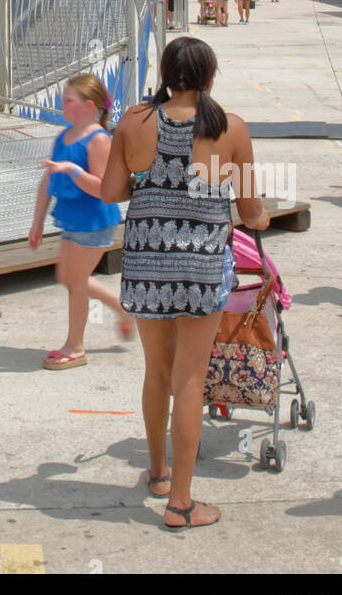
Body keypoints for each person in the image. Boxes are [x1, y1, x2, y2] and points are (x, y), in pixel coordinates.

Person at [101, 36, 269, 529]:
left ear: (165, 72)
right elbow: (251, 209)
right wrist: (255, 217)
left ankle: (157, 473)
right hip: (201, 269)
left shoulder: (134, 121)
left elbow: (112, 191)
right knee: (190, 379)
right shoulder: (229, 128)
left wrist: (151, 188)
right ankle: (180, 502)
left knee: (157, 372)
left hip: (148, 264)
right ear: (210, 78)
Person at [29, 74, 131, 368]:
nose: (62, 105)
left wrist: (73, 170)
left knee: (76, 283)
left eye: (68, 101)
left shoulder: (99, 140)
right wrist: (37, 223)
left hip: (94, 220)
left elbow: (104, 189)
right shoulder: (63, 136)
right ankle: (122, 309)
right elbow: (47, 181)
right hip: (72, 219)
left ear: (88, 106)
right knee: (69, 278)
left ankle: (75, 347)